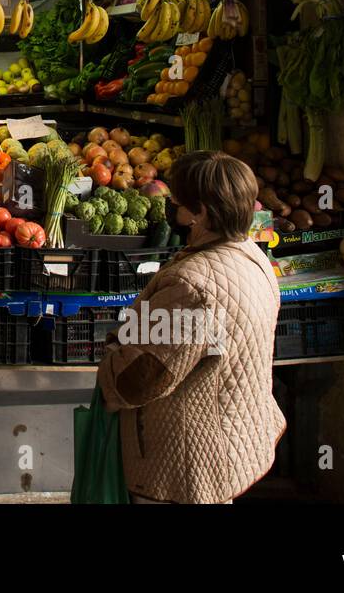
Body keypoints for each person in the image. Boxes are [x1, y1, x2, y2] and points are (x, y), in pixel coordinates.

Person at [97, 150, 286, 504]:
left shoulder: (192, 286)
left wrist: (110, 366)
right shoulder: (254, 257)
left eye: (178, 201)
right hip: (232, 438)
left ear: (200, 212)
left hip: (183, 461)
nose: (172, 206)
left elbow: (143, 378)